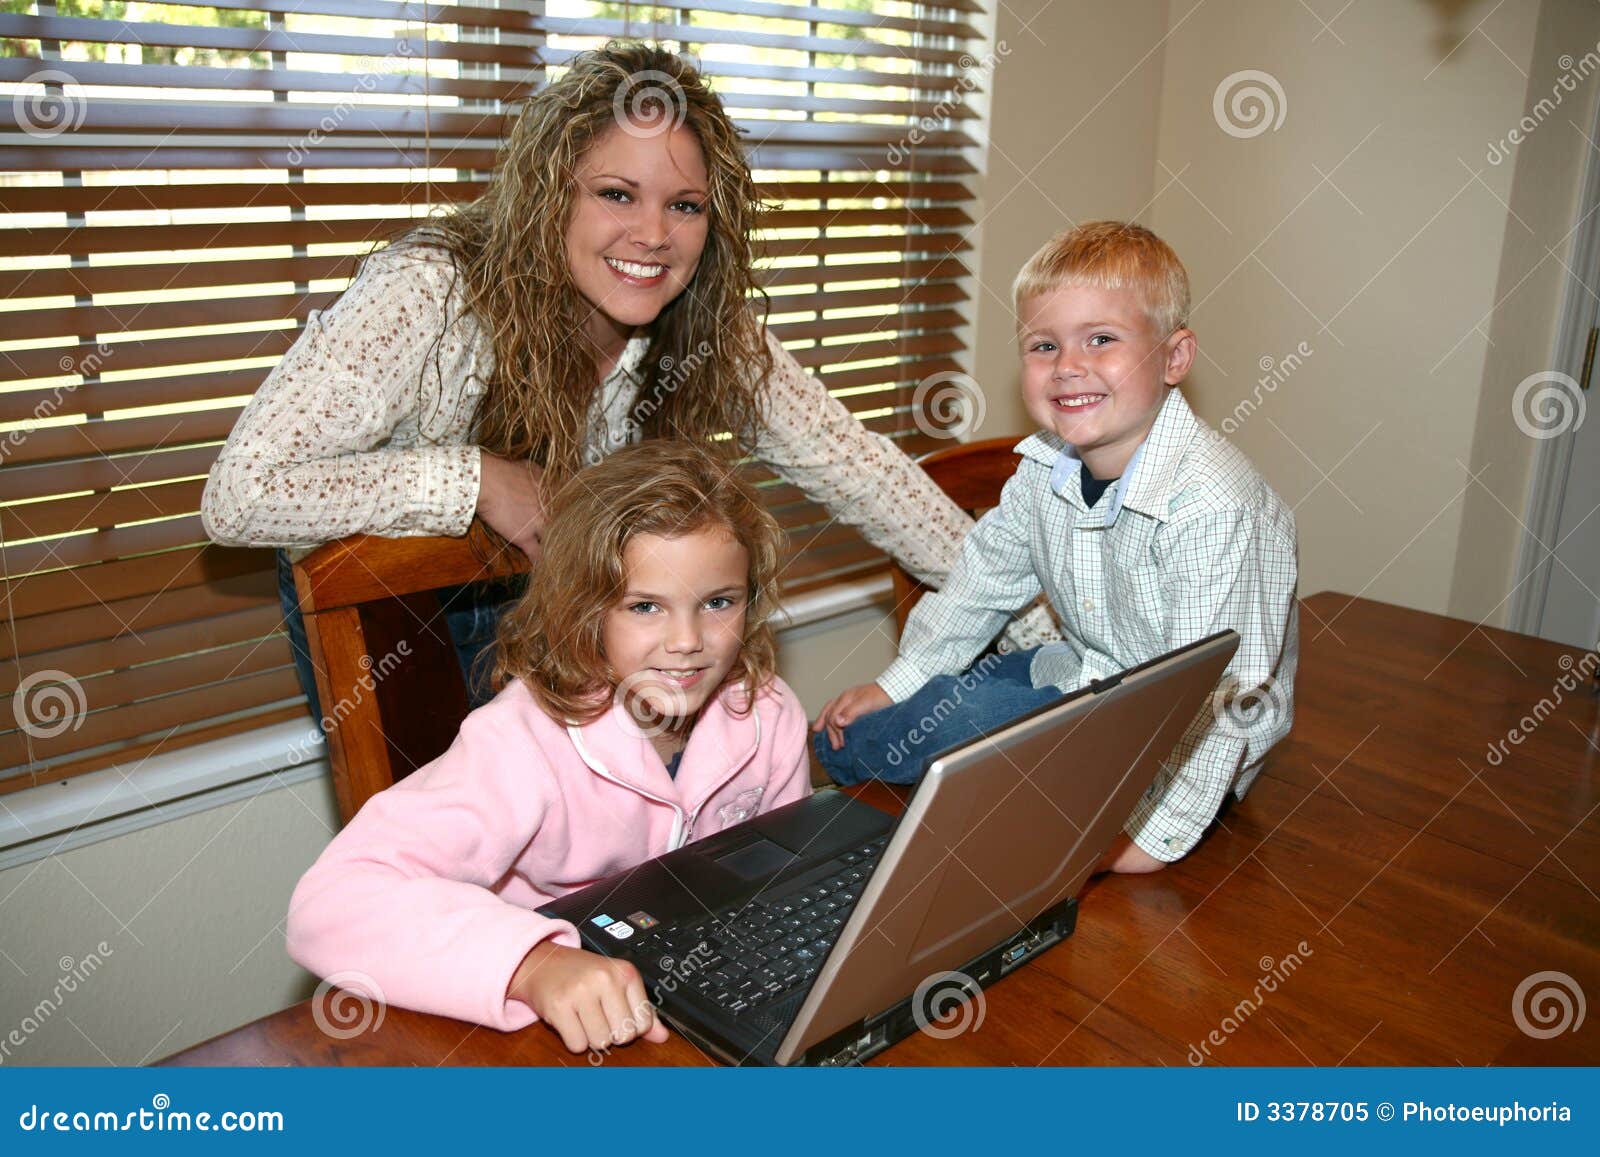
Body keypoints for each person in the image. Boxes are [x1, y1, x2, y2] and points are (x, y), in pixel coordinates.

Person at [199, 41, 1056, 718]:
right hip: (396, 615)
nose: (653, 234)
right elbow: (241, 495)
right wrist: (478, 479)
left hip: (571, 599)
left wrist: (1049, 635)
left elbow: (862, 470)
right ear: (551, 197)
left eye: (684, 206)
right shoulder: (430, 293)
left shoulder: (708, 328)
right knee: (453, 861)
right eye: (617, 193)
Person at [285, 441, 810, 1053]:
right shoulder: (521, 742)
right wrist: (533, 966)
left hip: (707, 999)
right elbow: (331, 902)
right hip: (553, 1030)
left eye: (718, 602)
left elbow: (794, 872)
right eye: (645, 607)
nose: (688, 640)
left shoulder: (768, 712)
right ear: (584, 610)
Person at [811, 221, 1300, 875]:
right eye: (1045, 345)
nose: (1068, 366)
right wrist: (895, 684)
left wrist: (1151, 840)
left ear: (1175, 357)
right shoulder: (1043, 468)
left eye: (1101, 339)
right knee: (901, 721)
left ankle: (888, 765)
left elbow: (1220, 696)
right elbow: (980, 584)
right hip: (1081, 673)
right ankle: (857, 756)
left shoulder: (1215, 506)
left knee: (983, 786)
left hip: (1179, 737)